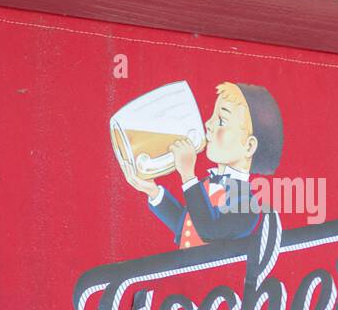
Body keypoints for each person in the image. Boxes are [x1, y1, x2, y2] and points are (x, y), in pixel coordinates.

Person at [121, 81, 283, 248]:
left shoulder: (247, 207)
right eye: (213, 116)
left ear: (249, 146)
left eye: (221, 121)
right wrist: (153, 191)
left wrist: (188, 175)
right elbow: (185, 227)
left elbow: (208, 232)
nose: (208, 124)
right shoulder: (205, 185)